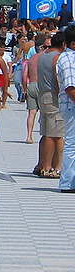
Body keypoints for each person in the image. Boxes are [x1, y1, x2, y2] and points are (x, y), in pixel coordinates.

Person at [35, 31, 65, 178]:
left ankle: (42, 164)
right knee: (56, 135)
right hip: (54, 98)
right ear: (64, 44)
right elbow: (58, 80)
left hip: (43, 95)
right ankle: (51, 167)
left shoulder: (43, 56)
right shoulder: (57, 58)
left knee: (46, 133)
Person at [56, 25, 75, 193]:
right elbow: (70, 87)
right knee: (72, 144)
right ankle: (68, 182)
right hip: (71, 106)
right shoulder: (68, 59)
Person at [22, 37, 44, 145]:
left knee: (31, 113)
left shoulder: (31, 59)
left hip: (31, 85)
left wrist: (25, 89)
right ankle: (45, 135)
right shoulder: (44, 58)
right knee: (44, 112)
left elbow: (24, 75)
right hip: (42, 85)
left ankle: (29, 136)